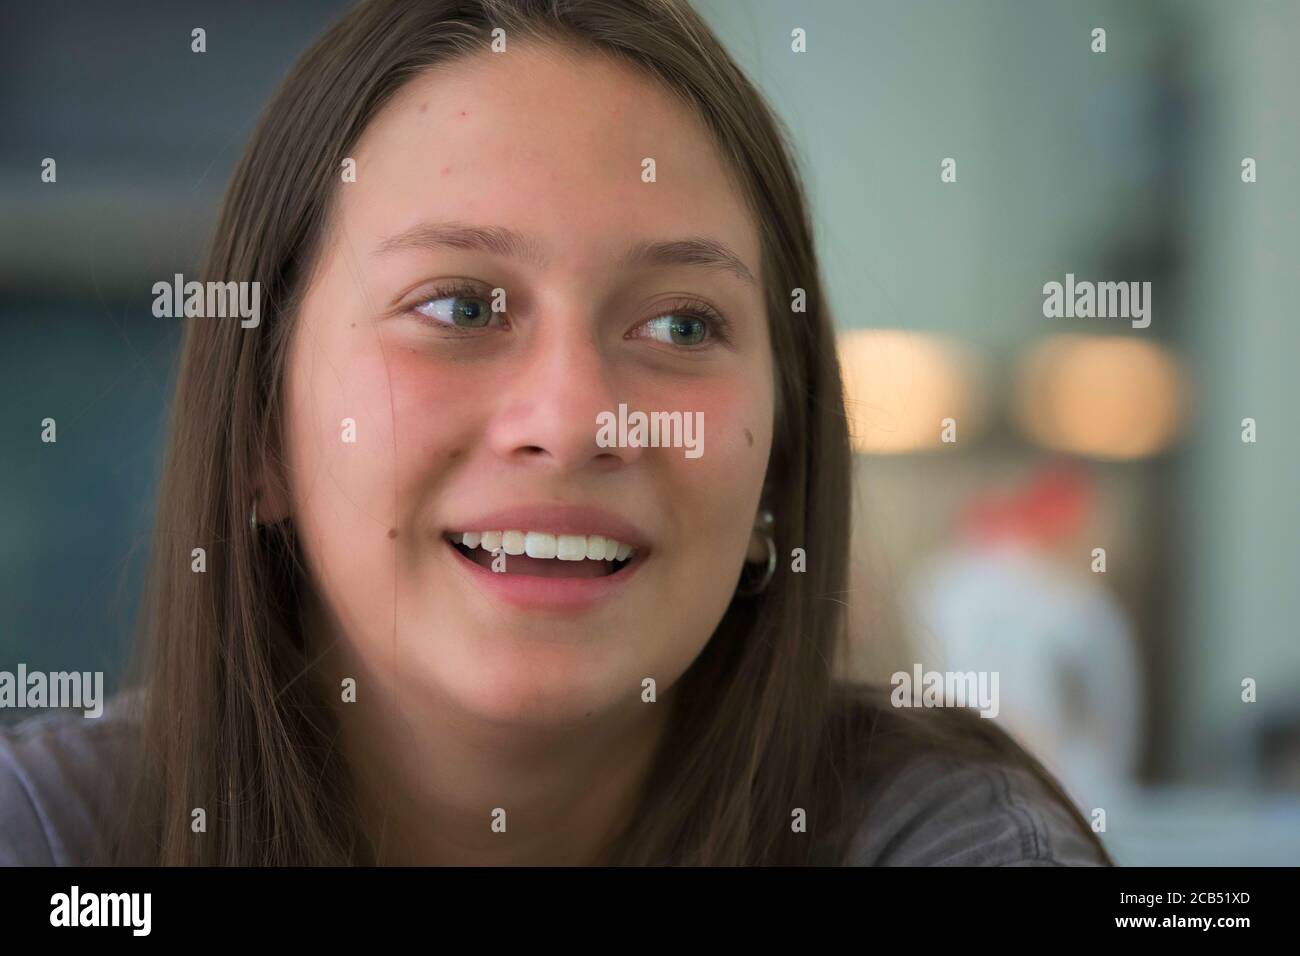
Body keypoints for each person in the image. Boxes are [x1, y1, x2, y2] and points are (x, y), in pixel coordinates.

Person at [0, 0, 1111, 866]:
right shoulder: (54, 841)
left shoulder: (948, 841)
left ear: (779, 455)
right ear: (260, 435)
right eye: (459, 307)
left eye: (681, 322)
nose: (577, 421)